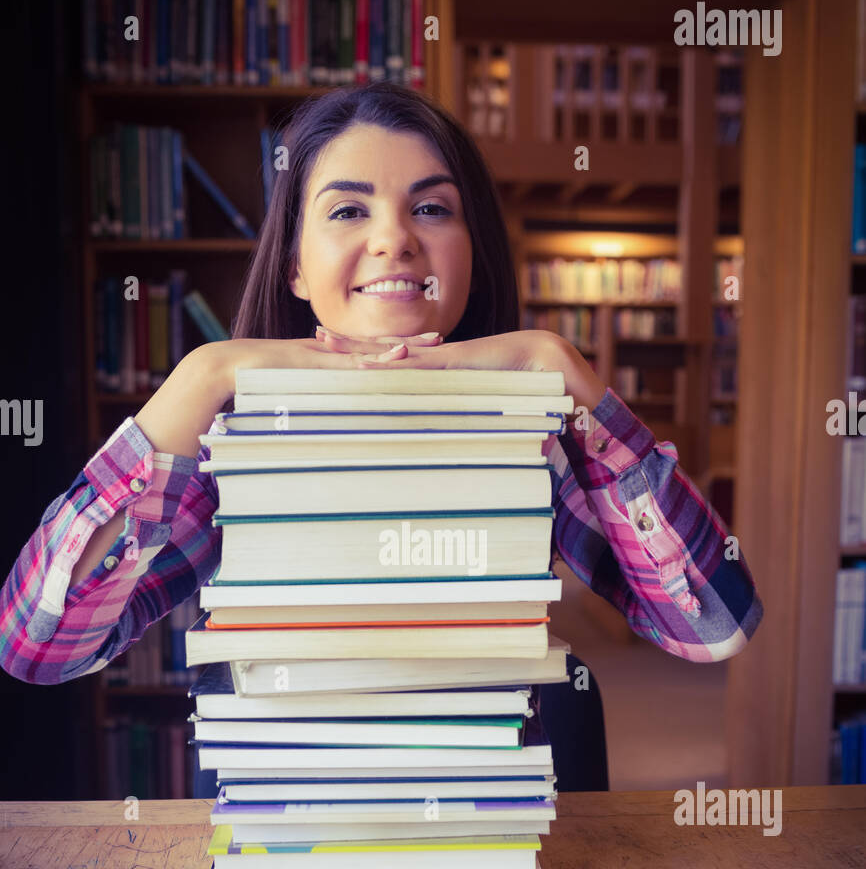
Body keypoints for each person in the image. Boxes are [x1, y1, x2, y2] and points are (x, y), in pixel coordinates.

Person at [0, 82, 763, 794]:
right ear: (295, 266)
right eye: (346, 211)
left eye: (432, 209)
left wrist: (560, 367)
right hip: (294, 822)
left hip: (483, 819)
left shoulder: (526, 439)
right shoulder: (235, 452)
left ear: (473, 252)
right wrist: (201, 377)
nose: (395, 239)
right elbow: (38, 645)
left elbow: (712, 625)